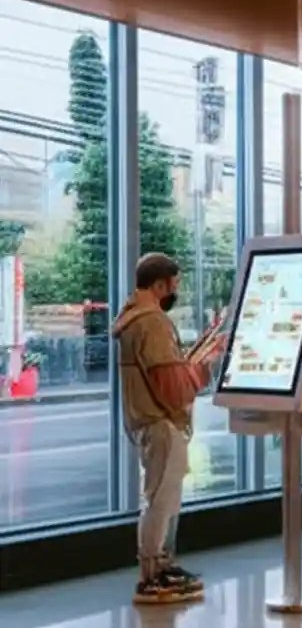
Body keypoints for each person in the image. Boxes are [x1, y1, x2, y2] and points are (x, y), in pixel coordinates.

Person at [113, 253, 226, 604]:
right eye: (173, 284)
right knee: (161, 500)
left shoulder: (132, 318)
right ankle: (153, 575)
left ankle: (160, 566)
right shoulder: (153, 322)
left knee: (160, 496)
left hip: (146, 421)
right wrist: (203, 367)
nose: (175, 290)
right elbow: (170, 385)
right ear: (159, 284)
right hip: (161, 424)